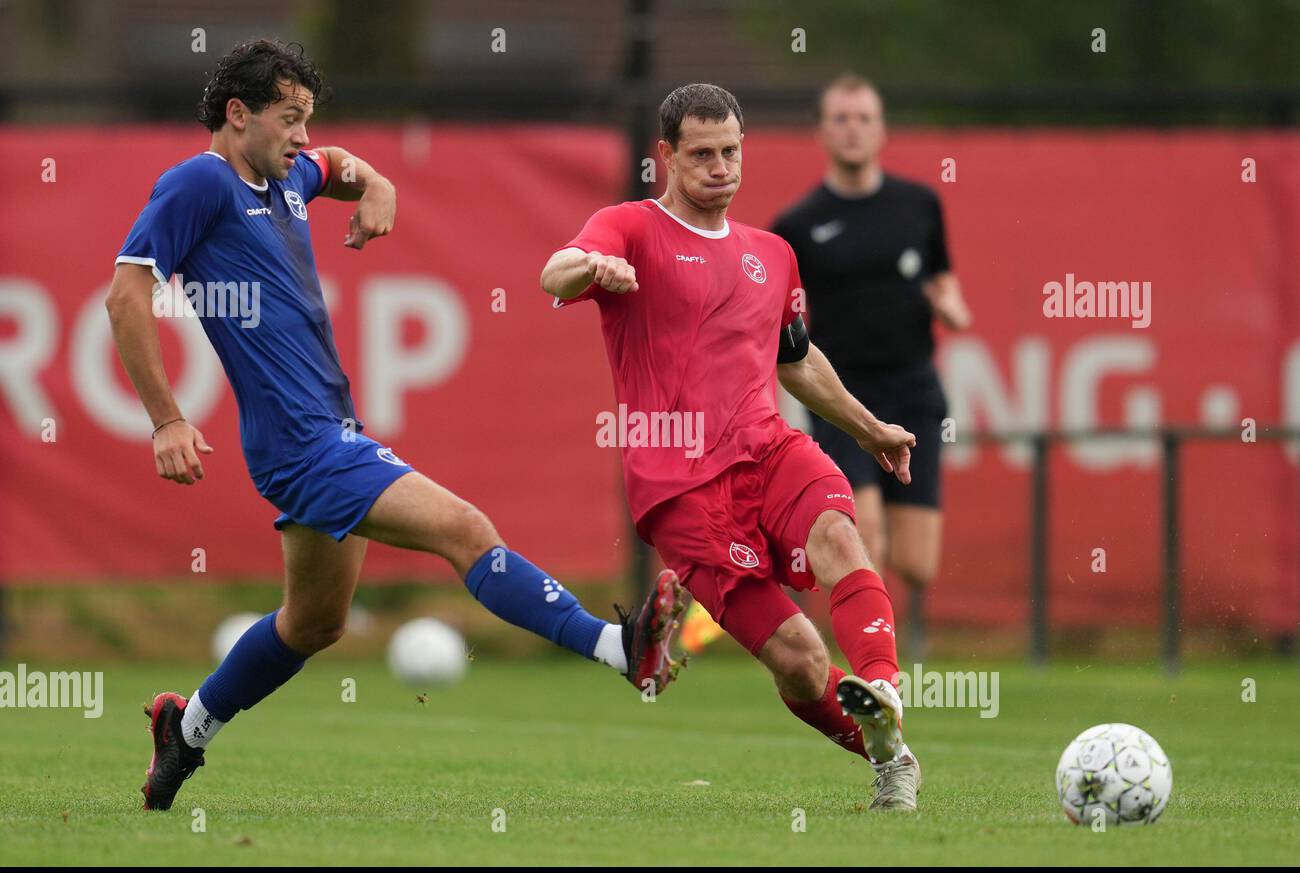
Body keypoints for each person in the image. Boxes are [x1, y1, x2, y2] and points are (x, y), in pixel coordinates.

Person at [107, 39, 685, 812]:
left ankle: (188, 730)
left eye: (308, 118)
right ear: (237, 115)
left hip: (322, 430)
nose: (303, 136)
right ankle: (620, 650)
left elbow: (334, 163)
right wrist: (167, 420)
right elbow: (124, 296)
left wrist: (376, 183)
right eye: (290, 119)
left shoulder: (282, 180)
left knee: (313, 624)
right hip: (303, 443)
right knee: (466, 530)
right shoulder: (199, 184)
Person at [541, 83, 922, 810]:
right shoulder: (629, 227)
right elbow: (553, 271)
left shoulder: (772, 254)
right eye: (703, 154)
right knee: (802, 663)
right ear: (667, 157)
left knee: (841, 534)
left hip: (770, 448)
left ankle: (884, 688)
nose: (721, 167)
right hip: (679, 488)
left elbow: (797, 359)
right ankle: (889, 754)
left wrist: (869, 429)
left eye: (731, 152)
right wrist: (593, 268)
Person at [772, 75, 972, 654]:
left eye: (863, 117)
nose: (852, 128)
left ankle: (873, 642)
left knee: (917, 561)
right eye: (840, 118)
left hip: (914, 390)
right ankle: (874, 664)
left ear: (881, 129)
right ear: (821, 131)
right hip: (841, 395)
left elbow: (942, 276)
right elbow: (779, 315)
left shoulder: (919, 204)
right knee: (867, 528)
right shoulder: (798, 224)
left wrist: (951, 304)